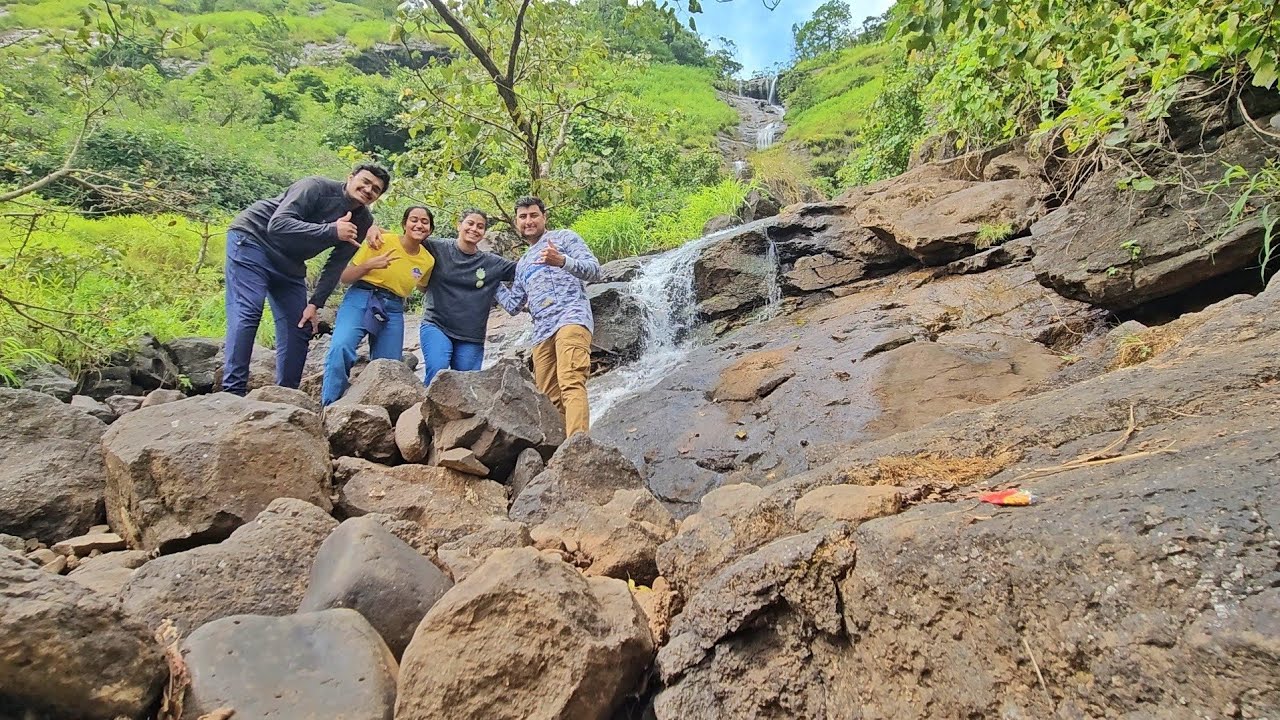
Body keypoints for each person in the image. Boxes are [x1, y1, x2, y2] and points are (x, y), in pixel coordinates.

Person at [221, 164, 390, 396]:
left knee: (300, 325)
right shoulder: (315, 187)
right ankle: (233, 392)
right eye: (365, 182)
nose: (368, 189)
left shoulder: (362, 221)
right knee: (249, 311)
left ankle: (287, 396)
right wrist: (331, 230)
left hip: (291, 263)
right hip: (253, 240)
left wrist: (315, 304)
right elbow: (277, 224)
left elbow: (335, 266)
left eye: (376, 189)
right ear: (350, 177)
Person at [499, 196, 601, 437]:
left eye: (533, 215)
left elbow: (595, 270)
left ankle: (579, 446)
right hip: (541, 332)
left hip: (571, 318)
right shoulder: (522, 263)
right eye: (522, 217)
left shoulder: (564, 238)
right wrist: (492, 283)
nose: (528, 221)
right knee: (548, 397)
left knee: (571, 380)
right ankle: (561, 452)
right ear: (516, 223)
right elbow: (514, 305)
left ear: (544, 217)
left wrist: (562, 261)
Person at [320, 205, 436, 405]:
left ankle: (377, 414)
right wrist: (369, 265)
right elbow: (345, 277)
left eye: (424, 222)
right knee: (341, 347)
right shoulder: (381, 241)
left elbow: (424, 287)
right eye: (414, 220)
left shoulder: (427, 260)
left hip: (393, 307)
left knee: (388, 366)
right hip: (362, 295)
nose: (419, 225)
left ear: (431, 229)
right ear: (404, 224)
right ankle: (329, 405)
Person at [419, 209, 518, 386]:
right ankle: (423, 413)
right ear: (459, 225)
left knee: (469, 386)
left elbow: (524, 270)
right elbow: (405, 243)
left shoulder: (492, 263)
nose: (474, 229)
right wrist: (373, 230)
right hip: (437, 325)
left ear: (484, 233)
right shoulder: (437, 248)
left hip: (471, 336)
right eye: (470, 223)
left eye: (480, 227)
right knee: (437, 371)